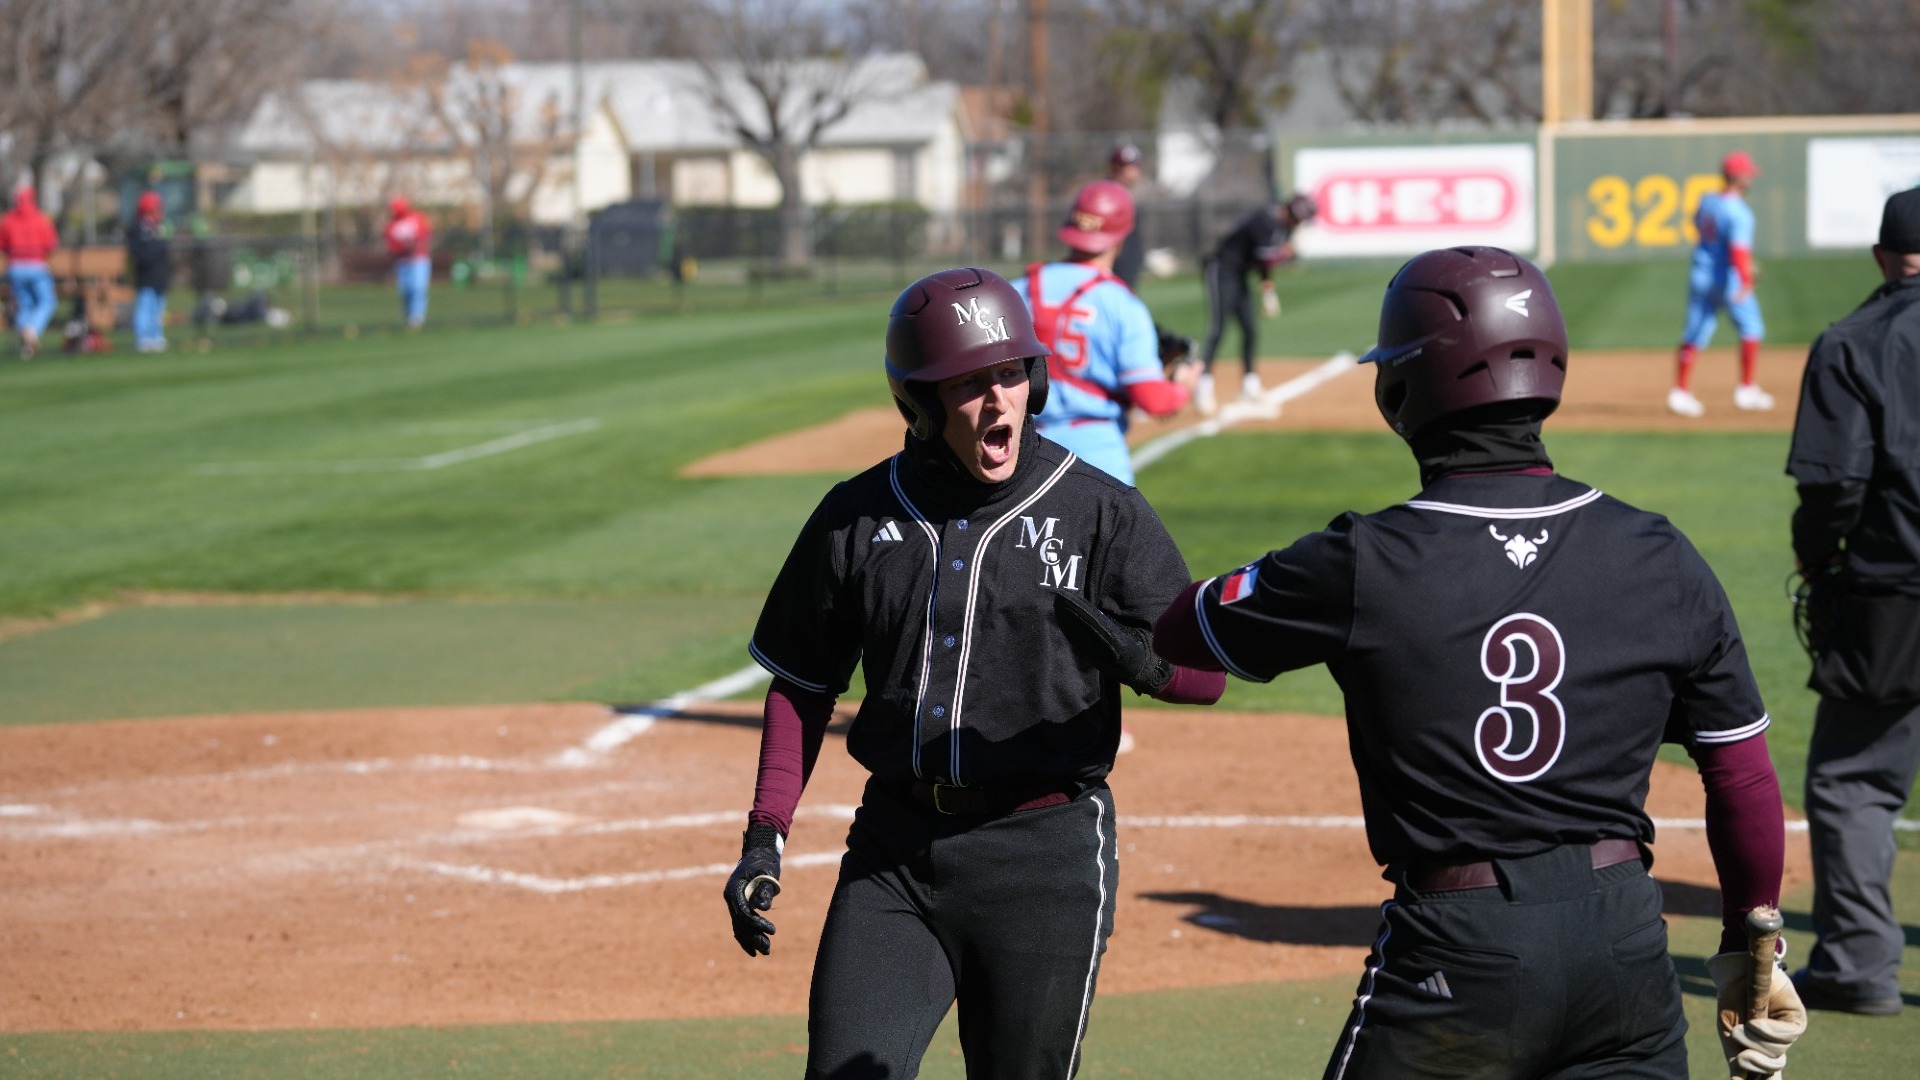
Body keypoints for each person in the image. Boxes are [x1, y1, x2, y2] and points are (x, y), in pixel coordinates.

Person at [1154, 246, 1806, 1079]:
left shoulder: (1361, 560)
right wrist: (1753, 947)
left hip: (1459, 953)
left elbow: (1183, 632)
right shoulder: (1660, 552)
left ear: (1403, 387)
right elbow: (1742, 773)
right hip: (1627, 948)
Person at [723, 266, 1224, 1079]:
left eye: (1011, 374)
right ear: (918, 403)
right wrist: (763, 836)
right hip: (894, 854)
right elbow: (804, 685)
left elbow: (1206, 676)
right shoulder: (856, 516)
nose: (999, 402)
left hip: (1045, 860)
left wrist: (1144, 664)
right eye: (968, 384)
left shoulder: (1099, 512)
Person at [1785, 186, 1920, 1017]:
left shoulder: (1852, 341)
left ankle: (1861, 967)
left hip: (1893, 596)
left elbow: (1832, 487)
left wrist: (1817, 558)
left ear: (1881, 256)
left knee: (1854, 781)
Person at [1016, 180, 1197, 487]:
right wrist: (1183, 386)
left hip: (1025, 454)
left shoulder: (1018, 291)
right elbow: (1153, 400)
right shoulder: (1121, 303)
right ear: (1121, 237)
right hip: (1097, 458)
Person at [1669, 151, 1772, 417]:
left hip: (1701, 273)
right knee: (1752, 329)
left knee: (1694, 333)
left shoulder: (1708, 200)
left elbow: (1698, 226)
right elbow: (1738, 250)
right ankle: (1746, 389)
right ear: (1737, 177)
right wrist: (1746, 280)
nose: (1751, 179)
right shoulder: (1739, 212)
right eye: (1748, 174)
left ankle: (1680, 391)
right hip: (1728, 279)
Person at [1195, 193, 1315, 415]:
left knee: (1250, 329)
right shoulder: (1265, 221)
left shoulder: (1282, 227)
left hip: (1239, 274)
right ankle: (1203, 384)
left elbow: (1265, 261)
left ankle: (1249, 386)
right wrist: (1284, 256)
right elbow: (1265, 260)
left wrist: (1268, 290)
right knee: (1218, 328)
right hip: (1221, 269)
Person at [0, 185, 60, 359]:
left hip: (16, 267)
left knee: (25, 304)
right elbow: (51, 244)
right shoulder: (41, 218)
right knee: (47, 301)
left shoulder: (8, 220)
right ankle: (32, 331)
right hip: (37, 265)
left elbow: (2, 244)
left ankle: (26, 343)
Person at [127, 191, 171, 353]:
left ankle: (156, 336)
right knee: (145, 307)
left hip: (159, 276)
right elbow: (140, 253)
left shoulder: (158, 228)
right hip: (146, 276)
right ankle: (144, 337)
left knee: (158, 310)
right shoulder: (140, 229)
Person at [382, 194, 432, 329]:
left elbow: (425, 235)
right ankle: (409, 316)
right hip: (402, 261)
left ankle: (417, 318)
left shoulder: (416, 218)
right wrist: (400, 248)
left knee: (418, 288)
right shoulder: (392, 224)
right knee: (406, 291)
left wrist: (416, 245)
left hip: (419, 259)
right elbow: (390, 243)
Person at [1107, 143, 1146, 290]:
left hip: (1128, 268)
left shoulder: (1126, 195)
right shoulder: (1108, 197)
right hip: (1116, 269)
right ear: (1115, 168)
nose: (1135, 171)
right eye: (1129, 167)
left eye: (1136, 166)